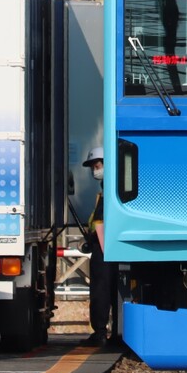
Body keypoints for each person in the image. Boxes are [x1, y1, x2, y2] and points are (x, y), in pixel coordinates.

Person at [83, 146, 117, 347]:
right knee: (109, 290)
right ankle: (109, 331)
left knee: (101, 290)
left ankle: (100, 332)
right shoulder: (107, 189)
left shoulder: (110, 190)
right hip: (107, 246)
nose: (94, 170)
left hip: (105, 248)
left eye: (96, 165)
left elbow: (100, 221)